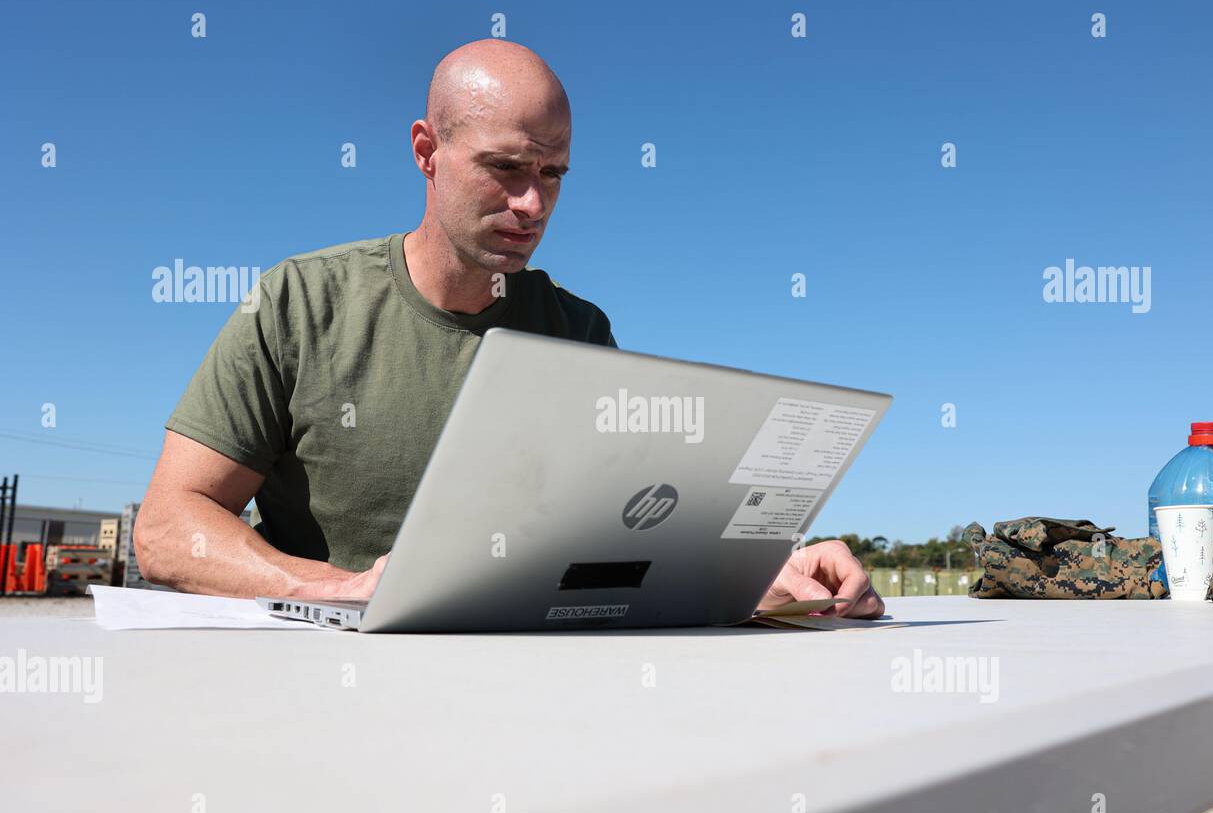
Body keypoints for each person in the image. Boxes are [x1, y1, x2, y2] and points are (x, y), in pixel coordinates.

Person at [134, 38, 883, 620]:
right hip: (329, 691)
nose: (532, 203)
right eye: (505, 168)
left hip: (529, 692)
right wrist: (342, 588)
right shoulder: (298, 302)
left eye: (553, 173)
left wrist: (764, 568)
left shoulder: (577, 331)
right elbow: (168, 528)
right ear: (427, 152)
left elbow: (633, 531)